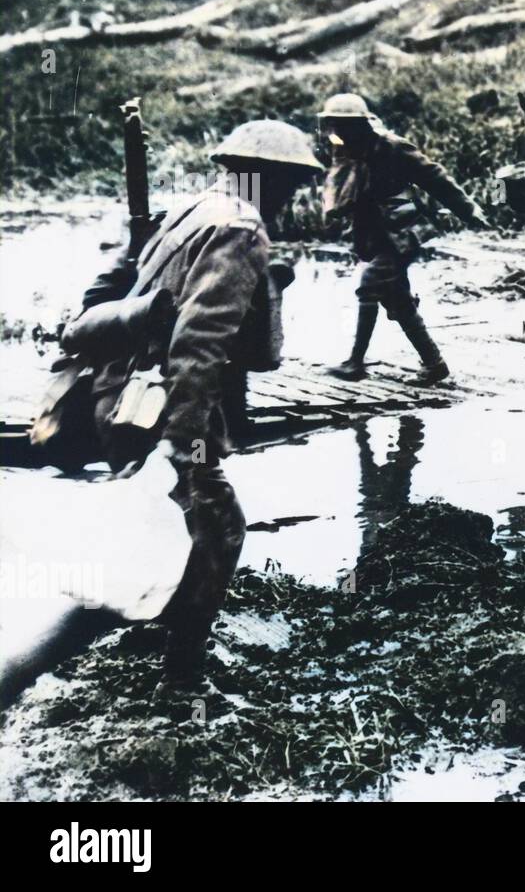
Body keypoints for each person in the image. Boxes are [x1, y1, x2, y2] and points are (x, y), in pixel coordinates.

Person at [72, 120, 323, 692]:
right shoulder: (240, 229)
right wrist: (181, 442)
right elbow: (201, 341)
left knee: (168, 527)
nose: (292, 197)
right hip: (162, 410)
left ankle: (143, 625)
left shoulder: (195, 209)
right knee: (219, 533)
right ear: (268, 180)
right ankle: (181, 680)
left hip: (123, 398)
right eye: (289, 184)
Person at [318, 93, 490, 383]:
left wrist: (468, 209)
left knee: (369, 287)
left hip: (399, 235)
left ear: (362, 124)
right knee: (399, 303)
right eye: (335, 125)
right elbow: (341, 195)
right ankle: (434, 364)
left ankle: (355, 363)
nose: (339, 132)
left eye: (345, 125)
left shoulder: (392, 147)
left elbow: (435, 177)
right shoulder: (347, 152)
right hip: (372, 236)